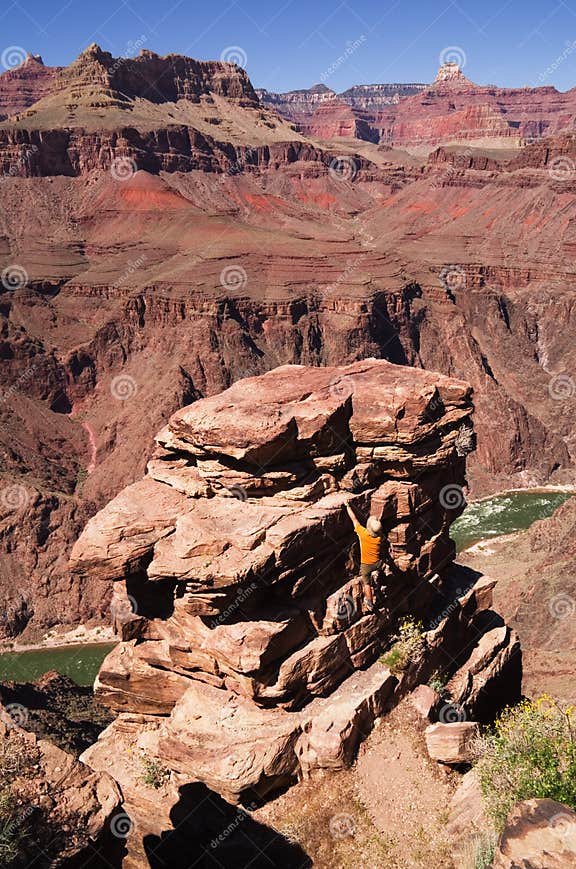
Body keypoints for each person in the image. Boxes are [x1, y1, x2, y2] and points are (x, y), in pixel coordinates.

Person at [345, 501, 383, 610]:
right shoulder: (379, 537)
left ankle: (369, 602)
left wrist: (348, 506)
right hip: (378, 563)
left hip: (366, 565)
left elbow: (354, 520)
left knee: (367, 583)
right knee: (377, 571)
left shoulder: (363, 534)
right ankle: (377, 581)